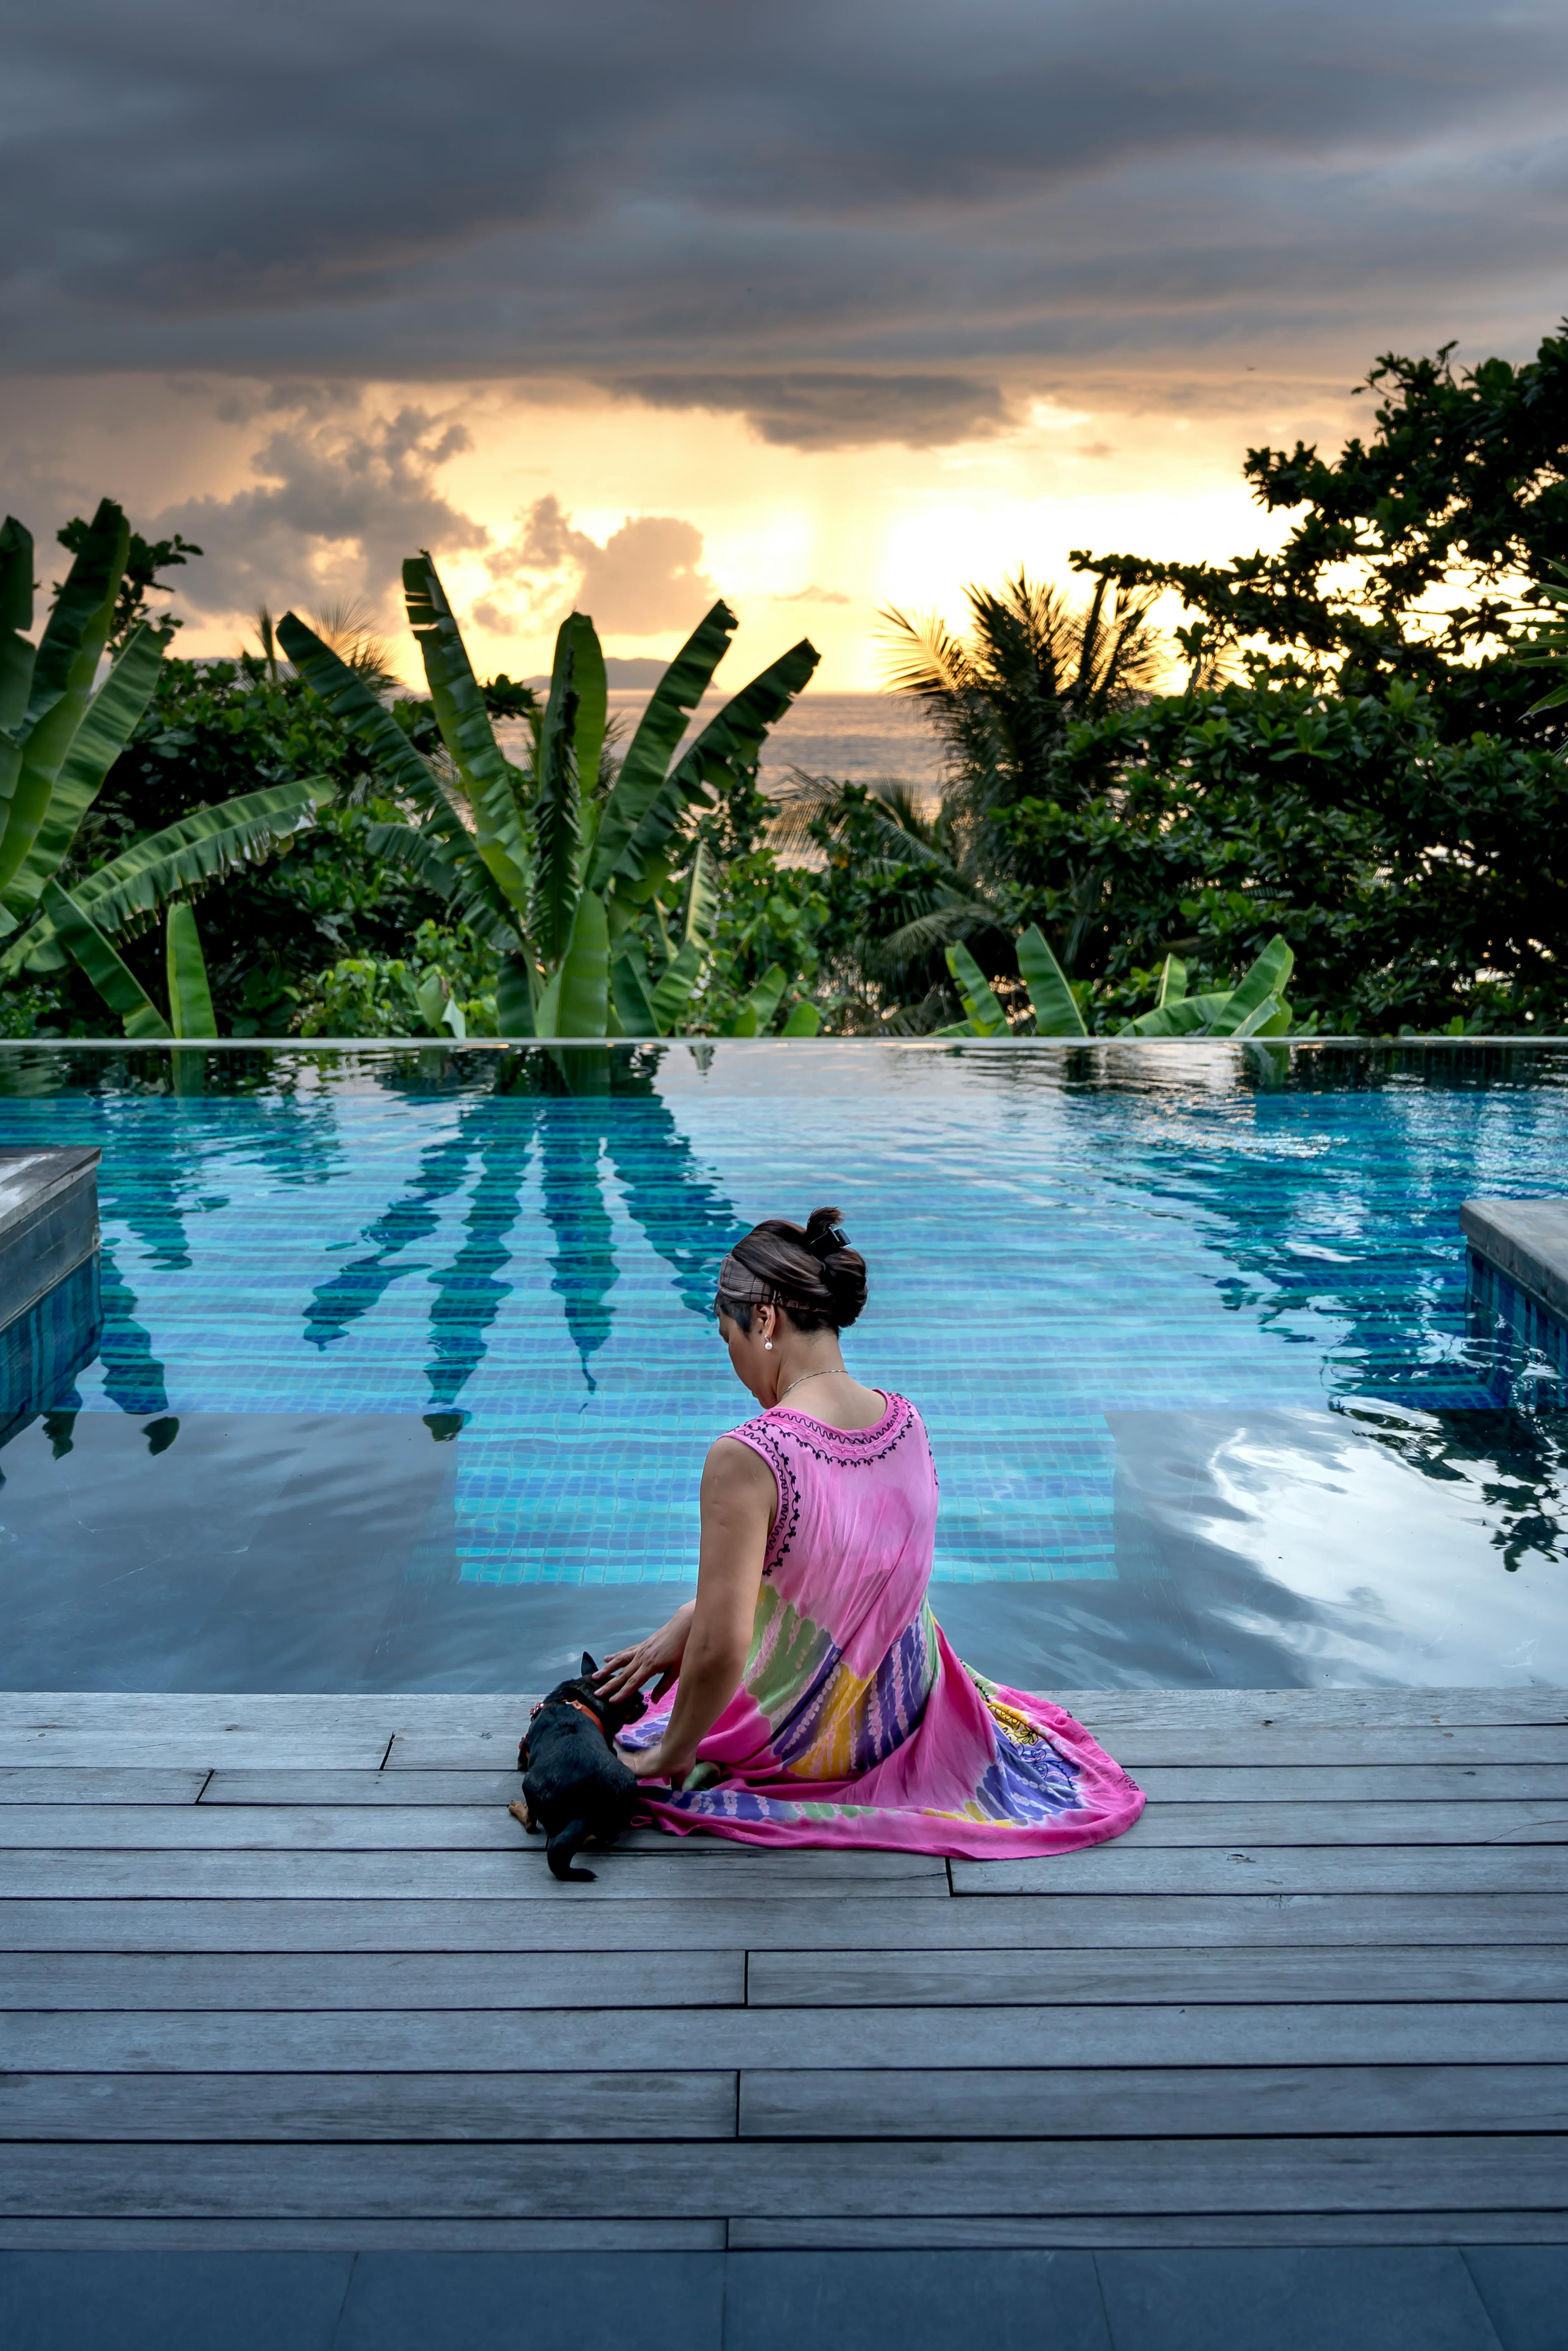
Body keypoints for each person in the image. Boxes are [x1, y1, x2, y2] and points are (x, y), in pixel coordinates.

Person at [598, 1205, 1144, 1858]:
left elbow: (724, 1649)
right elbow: (832, 1574)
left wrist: (668, 1754)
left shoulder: (748, 1456)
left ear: (764, 1321)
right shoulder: (905, 1423)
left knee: (619, 1739)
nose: (736, 1364)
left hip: (803, 1750)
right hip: (903, 1723)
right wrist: (692, 1618)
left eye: (728, 1338)